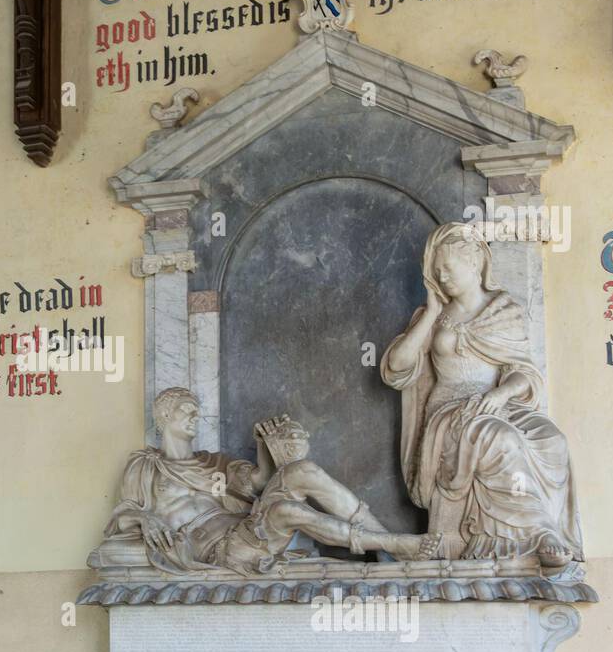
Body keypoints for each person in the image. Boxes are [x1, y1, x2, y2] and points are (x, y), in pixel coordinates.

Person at [381, 222, 582, 568]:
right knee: (495, 436)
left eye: (447, 268)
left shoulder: (505, 310)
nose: (441, 277)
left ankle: (536, 531)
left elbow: (523, 371)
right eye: (436, 271)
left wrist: (502, 394)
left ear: (474, 261)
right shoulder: (434, 318)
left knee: (553, 440)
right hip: (450, 410)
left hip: (498, 402)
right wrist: (429, 315)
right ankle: (537, 533)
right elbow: (396, 369)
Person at [102, 387, 440, 574]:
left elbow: (259, 482)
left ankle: (385, 543)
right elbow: (123, 515)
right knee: (283, 512)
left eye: (196, 411)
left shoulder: (211, 462)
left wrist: (263, 443)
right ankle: (393, 544)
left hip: (244, 530)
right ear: (163, 417)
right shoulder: (145, 466)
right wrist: (145, 517)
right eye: (186, 410)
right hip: (219, 550)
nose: (195, 416)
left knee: (302, 470)